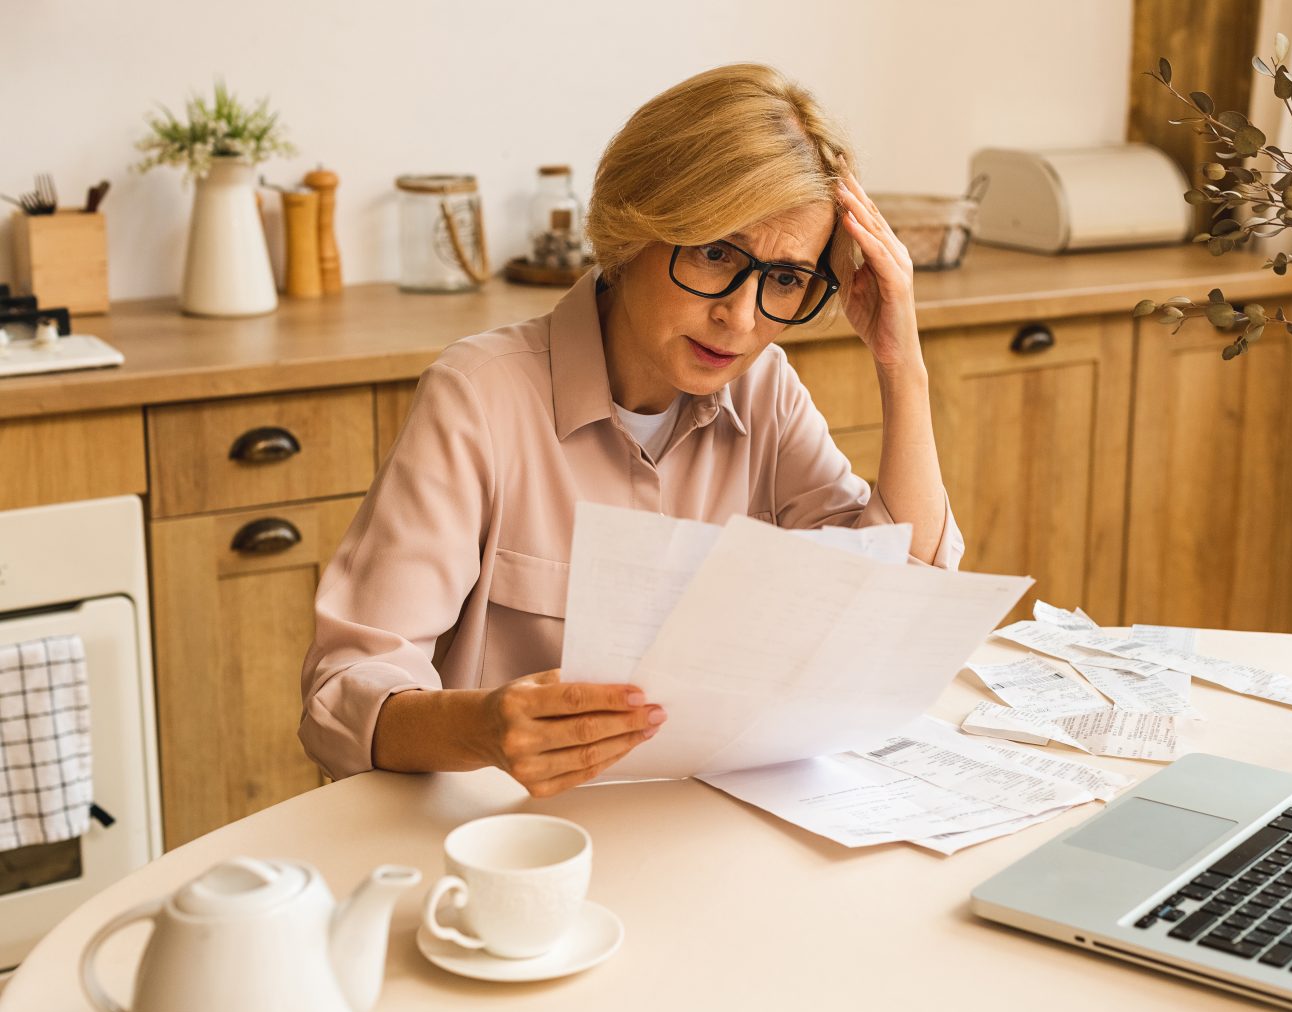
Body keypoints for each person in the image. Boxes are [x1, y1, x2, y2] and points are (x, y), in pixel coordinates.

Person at [298, 63, 964, 795]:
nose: (741, 320)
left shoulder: (766, 392)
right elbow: (343, 697)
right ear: (633, 225)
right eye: (715, 254)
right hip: (512, 843)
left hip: (697, 825)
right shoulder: (479, 399)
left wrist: (903, 368)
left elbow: (897, 602)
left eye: (783, 279)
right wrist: (486, 727)